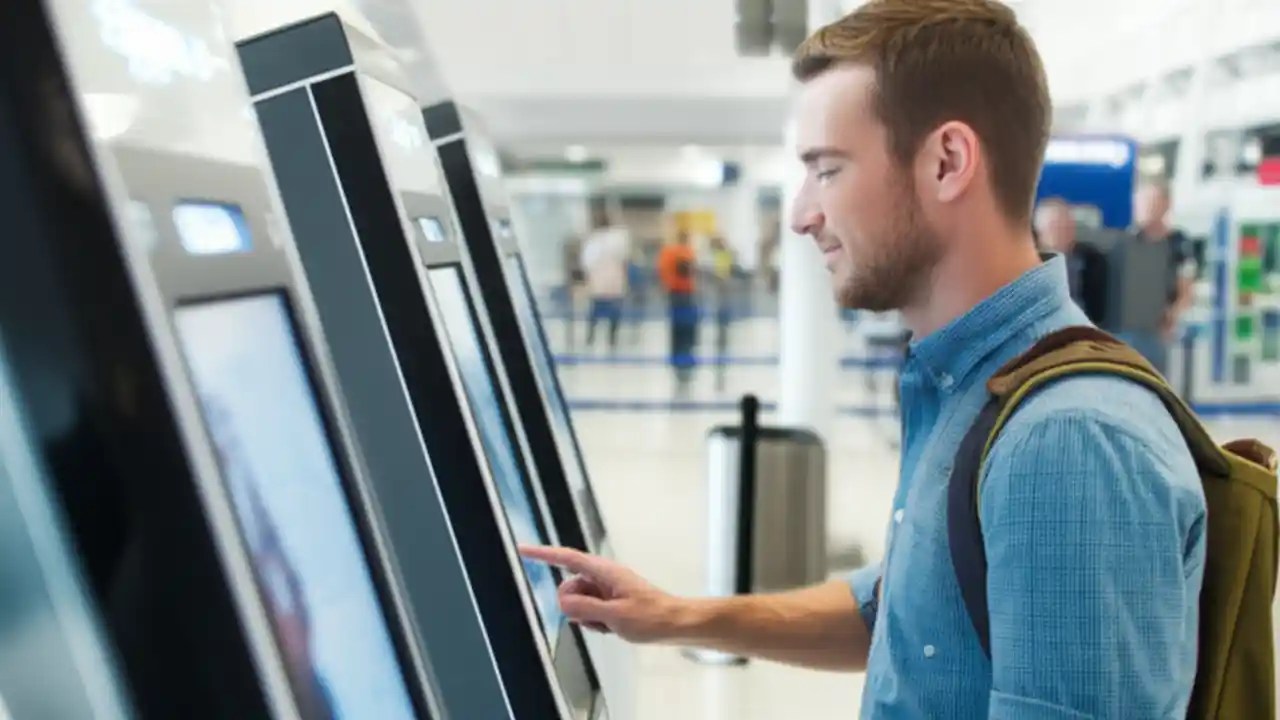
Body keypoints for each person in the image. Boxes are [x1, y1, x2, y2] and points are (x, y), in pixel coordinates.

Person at [523, 1, 1206, 718]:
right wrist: (677, 616)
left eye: (827, 170)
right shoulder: (974, 386)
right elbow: (902, 609)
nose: (800, 214)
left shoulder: (1064, 441)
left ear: (947, 163)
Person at [1122, 182, 1194, 373]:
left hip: (1160, 332)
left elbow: (1186, 287)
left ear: (1166, 205)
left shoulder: (1179, 244)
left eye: (1152, 202)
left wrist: (1173, 317)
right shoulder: (1127, 242)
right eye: (1142, 202)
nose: (1146, 208)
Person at [1033, 197, 1109, 324]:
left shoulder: (1091, 261)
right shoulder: (1027, 266)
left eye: (1067, 226)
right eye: (1055, 226)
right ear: (1039, 231)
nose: (1062, 232)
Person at [580, 213, 630, 352]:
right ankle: (612, 339)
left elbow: (587, 262)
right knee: (615, 312)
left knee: (595, 311)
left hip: (598, 281)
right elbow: (624, 257)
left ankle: (590, 338)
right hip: (615, 280)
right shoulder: (618, 238)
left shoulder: (593, 240)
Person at [656, 231, 699, 392]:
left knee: (677, 331)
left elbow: (662, 274)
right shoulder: (685, 252)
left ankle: (679, 364)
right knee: (686, 332)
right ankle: (684, 363)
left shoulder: (667, 253)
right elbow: (688, 271)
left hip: (675, 294)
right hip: (684, 294)